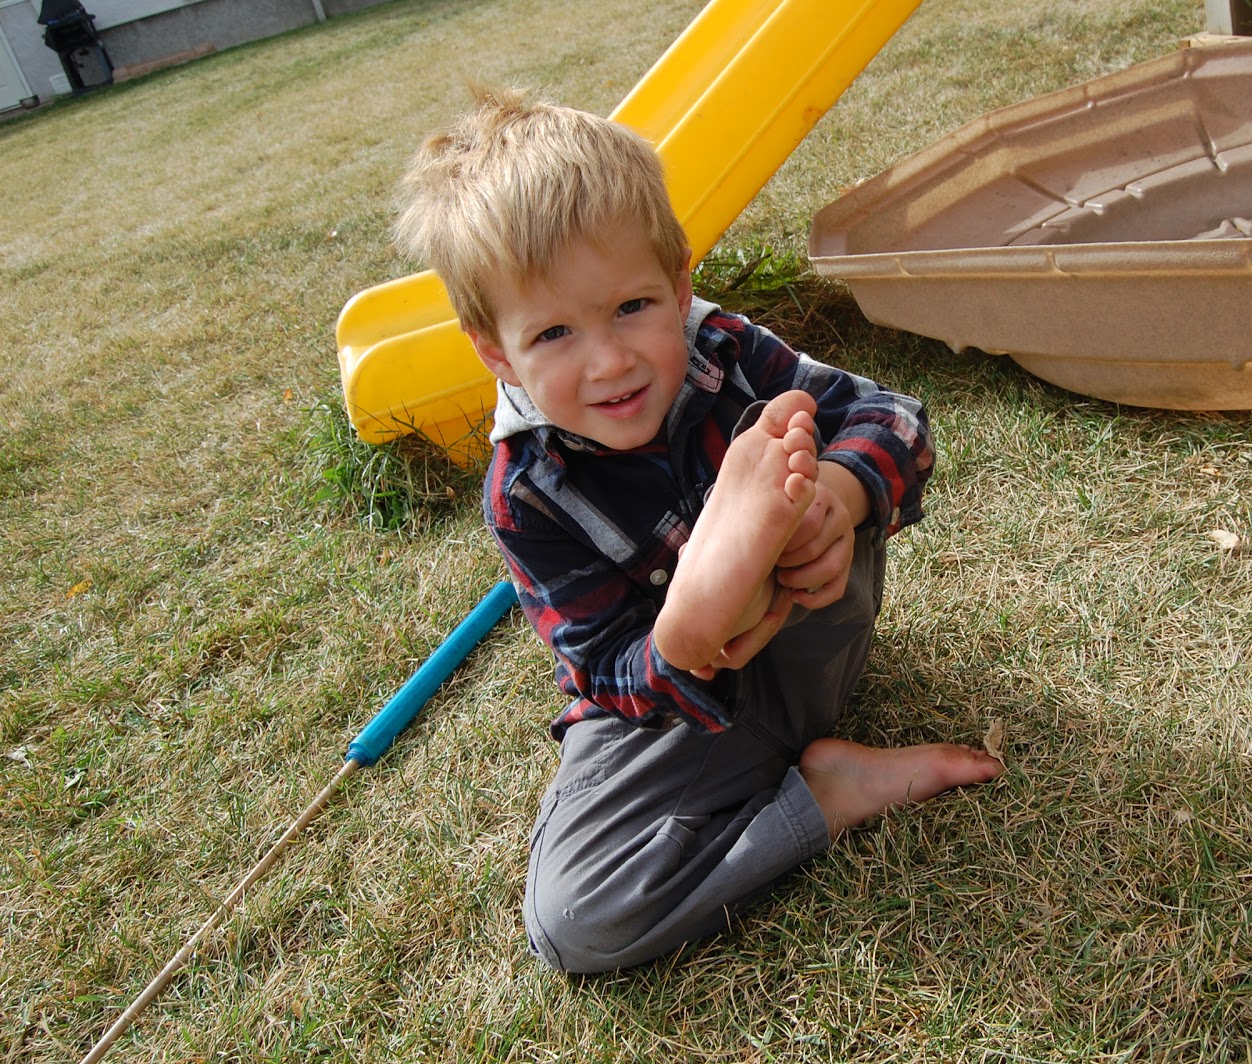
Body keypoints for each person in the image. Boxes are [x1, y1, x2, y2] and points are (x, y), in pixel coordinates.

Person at [396, 85, 1003, 974]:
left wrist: (837, 493)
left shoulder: (721, 348)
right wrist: (677, 645)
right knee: (574, 920)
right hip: (686, 708)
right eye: (556, 331)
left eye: (632, 308)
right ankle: (822, 794)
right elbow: (601, 667)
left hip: (812, 635)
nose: (609, 362)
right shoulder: (525, 491)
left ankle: (755, 545)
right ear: (495, 350)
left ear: (679, 280)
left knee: (824, 445)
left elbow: (896, 417)